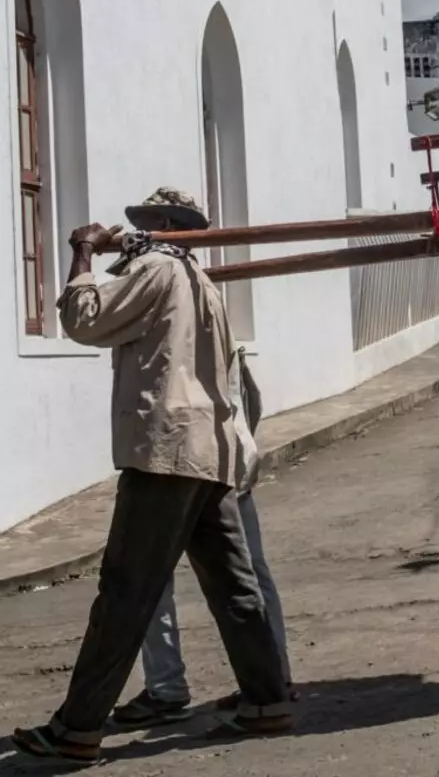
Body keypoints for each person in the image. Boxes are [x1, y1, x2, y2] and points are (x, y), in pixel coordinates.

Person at [12, 189, 291, 766]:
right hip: (208, 450)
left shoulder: (158, 267)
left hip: (165, 451)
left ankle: (78, 727)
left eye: (142, 224)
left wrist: (84, 255)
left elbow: (84, 320)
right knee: (233, 584)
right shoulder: (201, 282)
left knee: (125, 590)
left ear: (163, 226)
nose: (130, 231)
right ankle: (267, 700)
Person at [112, 350, 295, 727]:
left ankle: (166, 687)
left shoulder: (160, 321)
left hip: (177, 467)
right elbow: (248, 400)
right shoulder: (214, 318)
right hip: (227, 461)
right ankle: (272, 677)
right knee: (249, 573)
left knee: (152, 578)